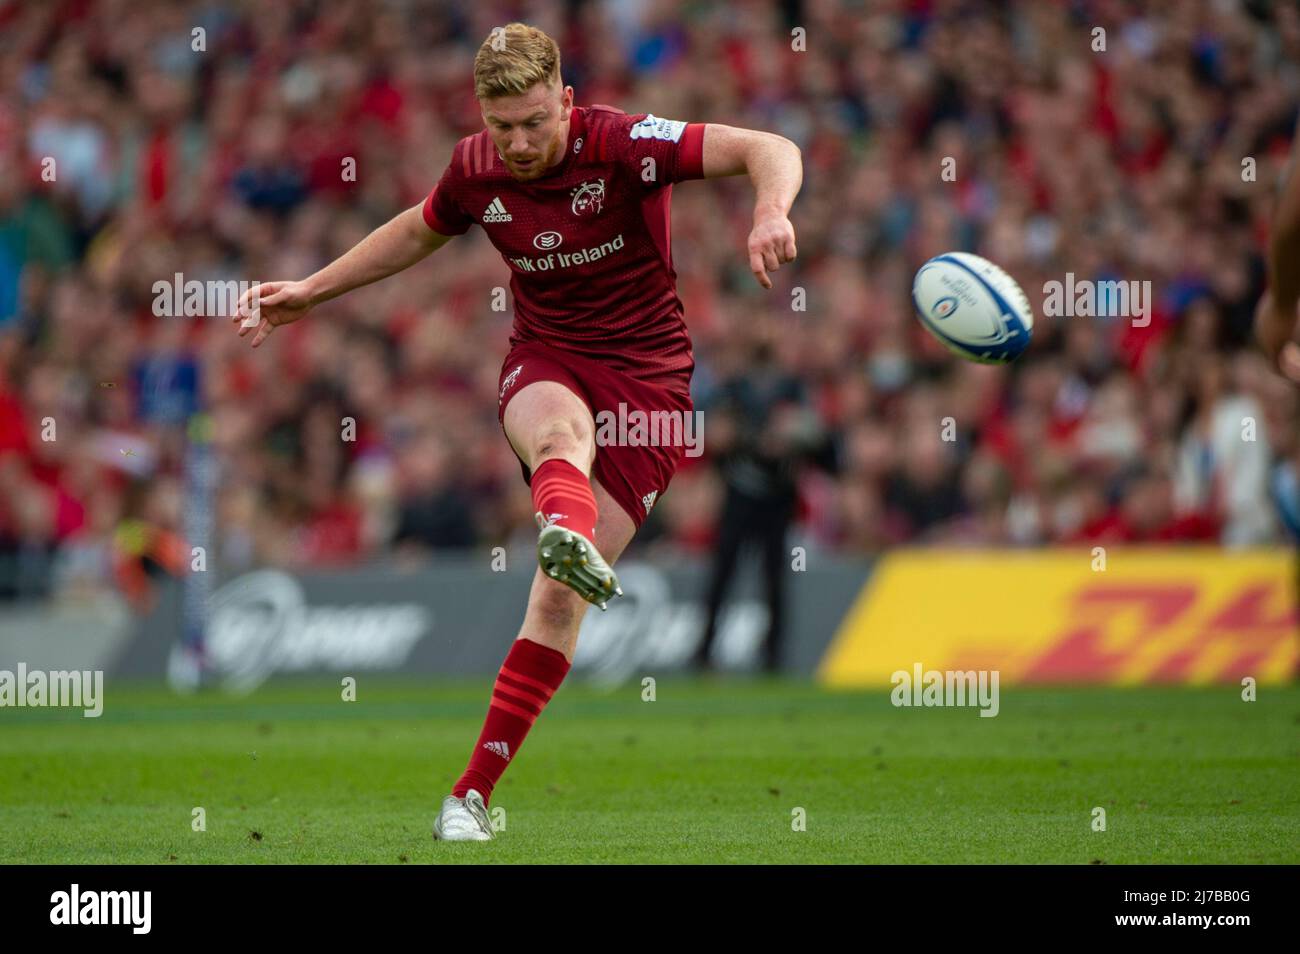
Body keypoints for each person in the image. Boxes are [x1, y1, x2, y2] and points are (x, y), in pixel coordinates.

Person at [231, 22, 801, 841]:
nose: (521, 143)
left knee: (559, 600)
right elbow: (417, 230)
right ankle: (465, 802)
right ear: (482, 118)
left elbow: (767, 144)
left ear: (565, 100)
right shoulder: (474, 169)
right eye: (503, 128)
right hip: (547, 356)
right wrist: (312, 291)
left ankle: (481, 778)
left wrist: (768, 213)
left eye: (536, 122)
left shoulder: (623, 141)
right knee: (559, 439)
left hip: (649, 384)